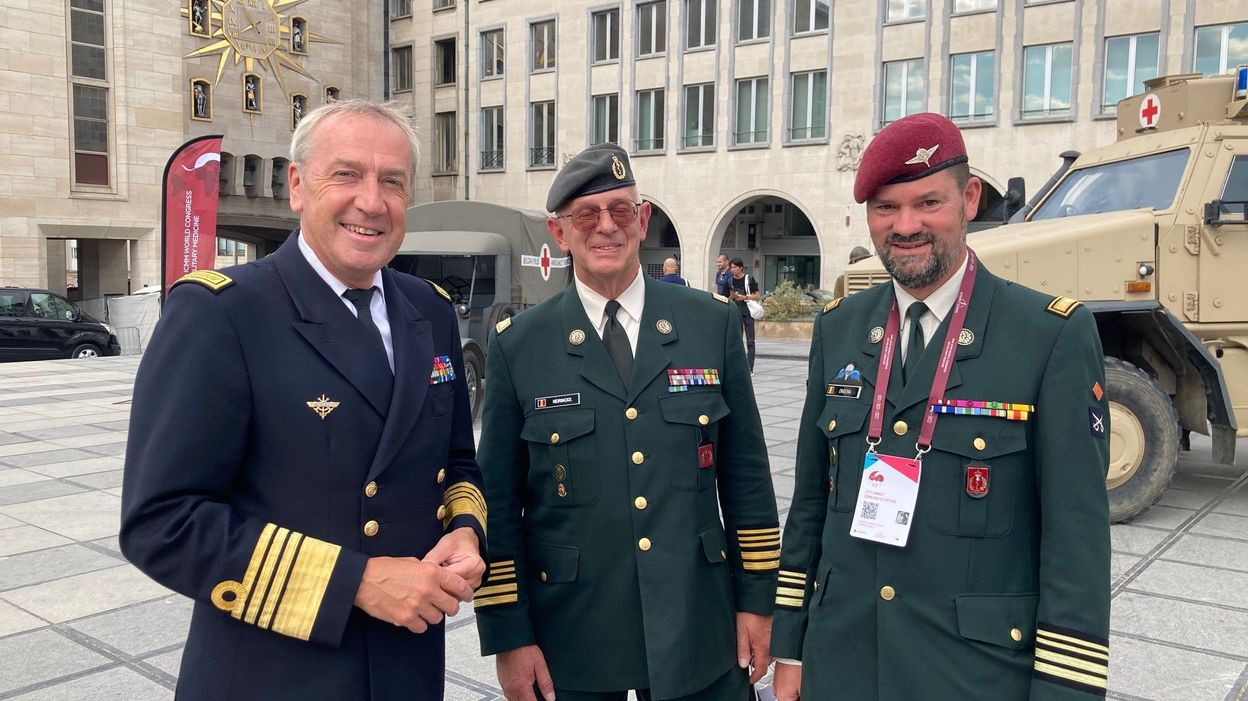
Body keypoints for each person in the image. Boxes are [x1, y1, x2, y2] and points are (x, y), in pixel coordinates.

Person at [120, 100, 487, 700]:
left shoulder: (429, 309)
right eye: (346, 174)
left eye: (392, 181)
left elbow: (457, 465)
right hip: (275, 674)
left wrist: (467, 533)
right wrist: (357, 582)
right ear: (296, 185)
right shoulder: (224, 312)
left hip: (406, 671)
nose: (371, 201)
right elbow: (162, 522)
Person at [771, 112, 1111, 700]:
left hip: (973, 675)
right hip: (843, 661)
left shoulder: (1049, 335)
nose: (905, 226)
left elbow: (1075, 543)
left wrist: (1065, 691)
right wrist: (792, 646)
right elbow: (809, 506)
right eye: (885, 208)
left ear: (970, 198)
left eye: (928, 202)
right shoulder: (839, 327)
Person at [475, 142, 779, 701]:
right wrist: (508, 638)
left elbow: (747, 481)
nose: (606, 227)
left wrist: (758, 603)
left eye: (620, 210)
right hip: (574, 643)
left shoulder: (710, 325)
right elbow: (498, 507)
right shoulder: (520, 346)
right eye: (586, 215)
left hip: (700, 633)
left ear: (643, 220)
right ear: (559, 233)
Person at [727, 258, 759, 373]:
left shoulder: (749, 279)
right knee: (736, 341)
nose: (733, 269)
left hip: (748, 313)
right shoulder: (730, 281)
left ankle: (750, 368)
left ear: (741, 267)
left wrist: (745, 297)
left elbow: (757, 295)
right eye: (731, 267)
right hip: (735, 313)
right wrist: (732, 296)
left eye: (735, 267)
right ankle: (738, 366)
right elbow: (726, 298)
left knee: (750, 341)